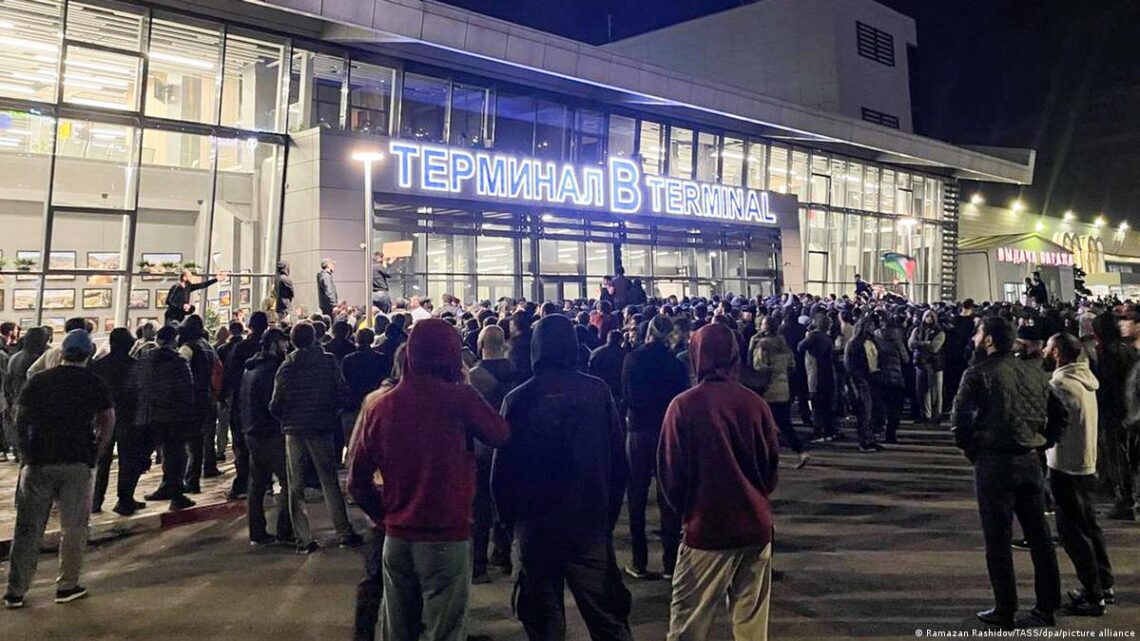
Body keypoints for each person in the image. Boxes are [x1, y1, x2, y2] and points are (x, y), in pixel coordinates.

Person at [347, 319, 509, 641]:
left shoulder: (381, 407)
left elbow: (356, 481)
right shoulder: (459, 398)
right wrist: (464, 384)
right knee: (446, 629)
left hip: (398, 536)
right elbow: (499, 434)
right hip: (446, 534)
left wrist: (386, 517)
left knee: (398, 628)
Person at [493, 314, 634, 641]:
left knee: (544, 623)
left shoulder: (518, 398)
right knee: (608, 619)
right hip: (588, 522)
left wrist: (509, 522)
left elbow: (501, 472)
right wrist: (607, 516)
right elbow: (618, 462)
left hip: (536, 526)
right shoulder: (597, 392)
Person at [658, 323, 780, 641]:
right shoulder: (756, 404)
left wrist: (688, 512)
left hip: (706, 529)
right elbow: (770, 471)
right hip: (755, 526)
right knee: (751, 627)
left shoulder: (683, 406)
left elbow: (671, 476)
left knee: (688, 628)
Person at [951, 316, 1060, 630]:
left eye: (979, 332)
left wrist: (974, 450)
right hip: (1029, 460)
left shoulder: (979, 373)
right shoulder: (1034, 372)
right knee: (1039, 537)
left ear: (988, 340)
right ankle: (1046, 606)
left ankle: (1005, 607)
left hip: (995, 462)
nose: (975, 337)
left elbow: (959, 424)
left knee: (998, 540)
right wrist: (1041, 442)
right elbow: (1059, 413)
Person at [3, 330, 113, 608]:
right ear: (87, 355)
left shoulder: (38, 381)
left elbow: (20, 419)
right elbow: (107, 419)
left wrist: (26, 453)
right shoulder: (92, 382)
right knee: (73, 527)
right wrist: (96, 451)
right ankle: (67, 585)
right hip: (76, 461)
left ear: (61, 353)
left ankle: (15, 591)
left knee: (28, 527)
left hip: (38, 462)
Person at [269, 321, 362, 553]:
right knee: (329, 481)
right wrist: (331, 413)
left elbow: (275, 402)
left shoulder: (287, 366)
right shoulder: (328, 362)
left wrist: (286, 419)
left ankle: (303, 538)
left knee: (295, 485)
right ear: (315, 338)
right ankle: (343, 531)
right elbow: (342, 392)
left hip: (294, 429)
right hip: (321, 427)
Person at [1043, 332, 1114, 616]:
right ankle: (1104, 584)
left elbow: (1051, 423)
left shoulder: (1060, 384)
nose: (1045, 352)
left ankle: (1092, 594)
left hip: (1066, 465)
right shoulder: (1086, 381)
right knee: (1090, 527)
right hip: (1085, 463)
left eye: (1048, 347)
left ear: (1057, 352)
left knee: (1073, 534)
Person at [621, 315, 688, 580]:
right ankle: (670, 563)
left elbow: (627, 396)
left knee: (636, 498)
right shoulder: (675, 364)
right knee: (668, 498)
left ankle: (639, 561)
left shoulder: (632, 360)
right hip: (666, 431)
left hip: (638, 431)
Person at [467, 325, 516, 583]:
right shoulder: (517, 373)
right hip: (509, 446)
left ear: (480, 344)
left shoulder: (474, 377)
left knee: (480, 506)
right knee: (505, 502)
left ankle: (478, 564)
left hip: (481, 448)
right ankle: (504, 553)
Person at [240, 328, 295, 546]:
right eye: (283, 342)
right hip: (270, 432)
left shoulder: (250, 368)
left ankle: (257, 531)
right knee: (289, 481)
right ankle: (284, 529)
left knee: (257, 485)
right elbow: (275, 403)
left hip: (251, 431)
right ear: (274, 344)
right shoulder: (273, 370)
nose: (286, 346)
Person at [135, 326, 197, 511]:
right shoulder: (178, 361)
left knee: (149, 455)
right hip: (174, 415)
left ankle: (129, 495)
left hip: (151, 414)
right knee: (176, 455)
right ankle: (176, 495)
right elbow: (186, 389)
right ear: (173, 340)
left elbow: (139, 385)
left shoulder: (146, 359)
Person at [88, 328, 138, 515]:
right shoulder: (135, 365)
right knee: (127, 461)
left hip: (102, 417)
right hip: (128, 417)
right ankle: (125, 500)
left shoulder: (97, 366)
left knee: (102, 460)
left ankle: (96, 501)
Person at [221, 312, 269, 501]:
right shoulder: (270, 345)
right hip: (265, 402)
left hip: (243, 401)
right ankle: (263, 482)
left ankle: (243, 482)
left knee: (241, 445)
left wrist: (223, 395)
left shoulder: (242, 347)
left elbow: (231, 373)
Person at [752, 318, 808, 464]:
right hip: (783, 388)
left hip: (767, 390)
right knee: (784, 423)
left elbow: (759, 367)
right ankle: (800, 451)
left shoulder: (762, 344)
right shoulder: (784, 344)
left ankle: (766, 456)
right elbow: (791, 365)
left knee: (763, 425)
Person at [178, 316, 222, 493]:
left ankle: (188, 480)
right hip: (206, 396)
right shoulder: (207, 346)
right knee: (202, 440)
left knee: (187, 444)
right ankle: (197, 476)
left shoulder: (188, 348)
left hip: (191, 399)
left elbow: (181, 370)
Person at [846, 315, 882, 453]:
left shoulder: (873, 341)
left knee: (872, 412)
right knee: (864, 413)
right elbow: (851, 366)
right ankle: (864, 441)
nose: (873, 328)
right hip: (861, 380)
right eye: (870, 326)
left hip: (873, 378)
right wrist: (854, 383)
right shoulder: (854, 344)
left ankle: (871, 439)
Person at [798, 314, 835, 445]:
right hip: (828, 374)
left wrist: (808, 333)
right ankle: (829, 432)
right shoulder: (828, 338)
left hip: (815, 374)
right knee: (827, 406)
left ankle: (818, 432)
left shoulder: (813, 336)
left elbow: (800, 347)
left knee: (817, 405)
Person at [909, 309, 946, 424]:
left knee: (935, 391)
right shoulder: (917, 330)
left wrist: (919, 345)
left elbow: (935, 348)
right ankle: (925, 415)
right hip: (920, 364)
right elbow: (911, 344)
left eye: (931, 317)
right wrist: (925, 343)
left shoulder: (940, 332)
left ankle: (936, 415)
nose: (928, 319)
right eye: (926, 316)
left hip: (934, 364)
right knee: (921, 391)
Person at [588, 329, 626, 408]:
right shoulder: (623, 354)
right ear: (620, 340)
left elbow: (590, 370)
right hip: (616, 389)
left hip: (598, 387)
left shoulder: (595, 352)